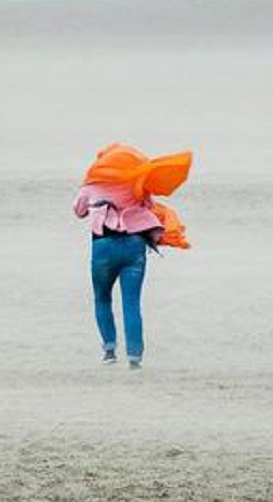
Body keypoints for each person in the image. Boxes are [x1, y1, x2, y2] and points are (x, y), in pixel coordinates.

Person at [74, 144, 192, 370]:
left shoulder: (91, 187)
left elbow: (79, 211)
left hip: (103, 247)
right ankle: (135, 359)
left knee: (102, 298)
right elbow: (150, 206)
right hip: (133, 247)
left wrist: (89, 189)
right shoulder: (135, 184)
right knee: (132, 303)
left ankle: (109, 351)